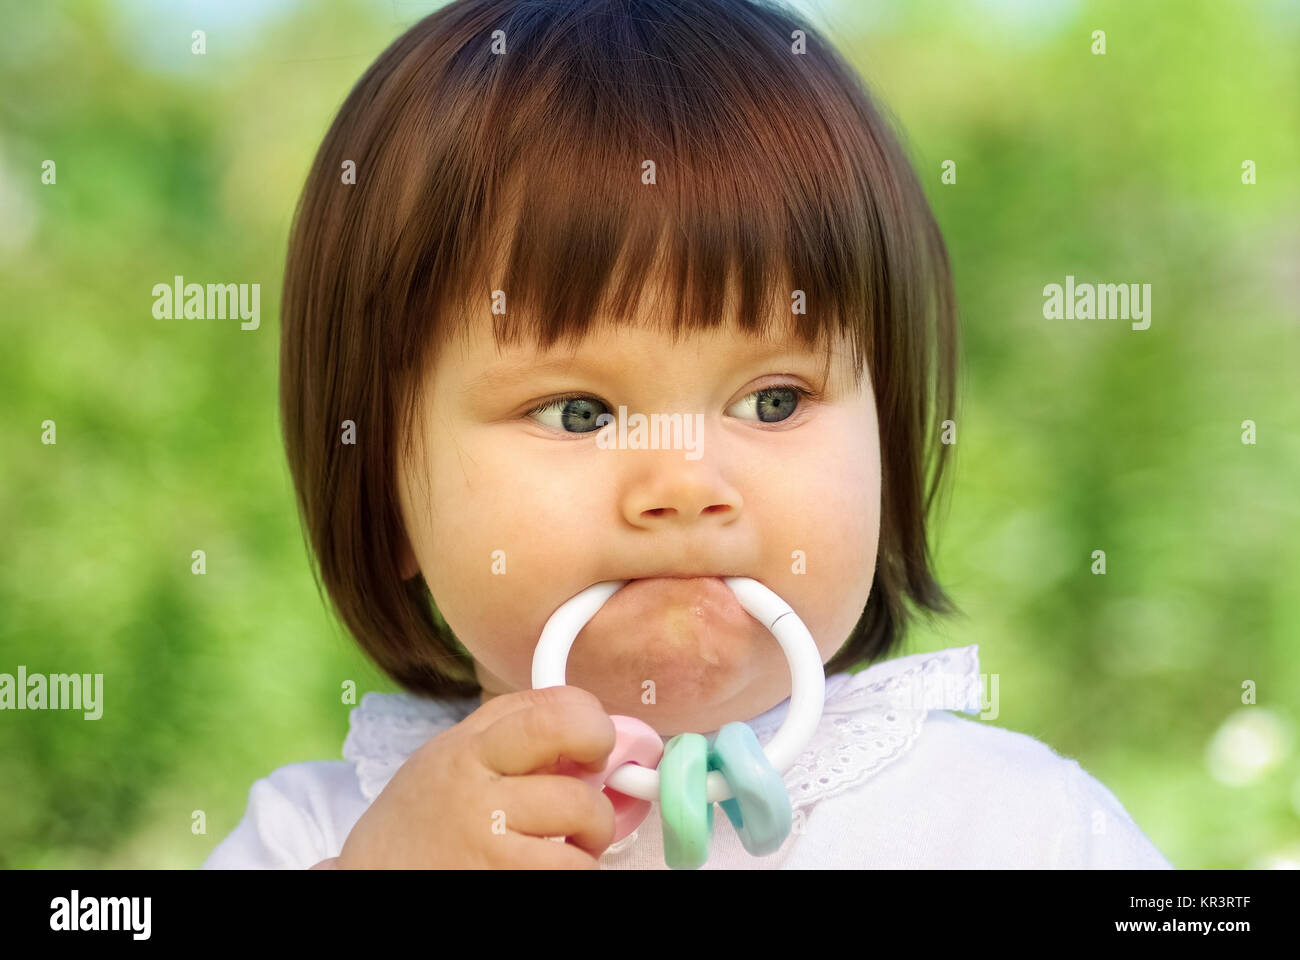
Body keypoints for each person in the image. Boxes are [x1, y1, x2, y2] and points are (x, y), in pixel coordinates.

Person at [204, 0, 1172, 869]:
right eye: (579, 412)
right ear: (382, 490)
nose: (685, 481)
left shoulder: (1015, 827)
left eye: (774, 401)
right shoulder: (317, 838)